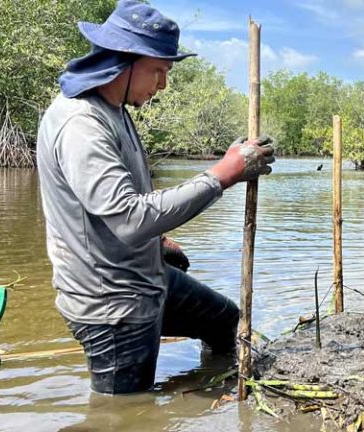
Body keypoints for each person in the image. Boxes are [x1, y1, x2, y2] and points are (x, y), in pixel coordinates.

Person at [36, 0, 275, 394]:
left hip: (146, 280)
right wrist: (223, 174)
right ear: (125, 61)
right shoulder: (81, 124)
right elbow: (130, 220)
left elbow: (114, 201)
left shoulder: (113, 107)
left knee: (224, 320)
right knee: (123, 416)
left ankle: (212, 397)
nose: (162, 84)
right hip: (112, 307)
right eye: (159, 71)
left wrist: (159, 240)